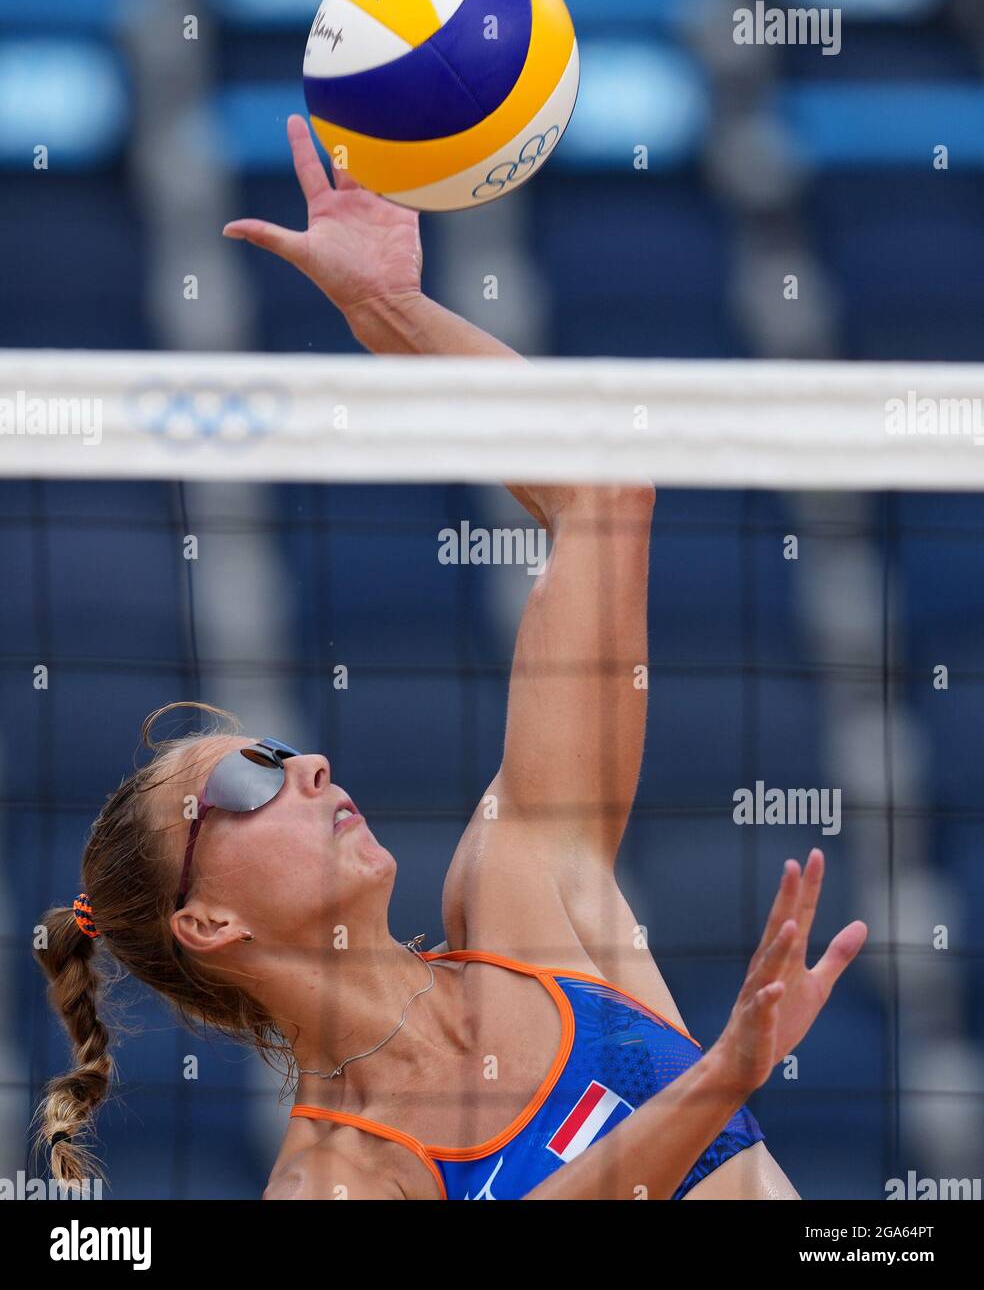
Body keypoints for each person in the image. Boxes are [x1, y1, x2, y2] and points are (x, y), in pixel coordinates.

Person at [34, 117, 867, 1199]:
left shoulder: (525, 893)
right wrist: (718, 1082)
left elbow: (604, 494)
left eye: (281, 748)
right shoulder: (332, 1174)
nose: (310, 768)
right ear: (208, 922)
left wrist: (386, 306)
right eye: (249, 779)